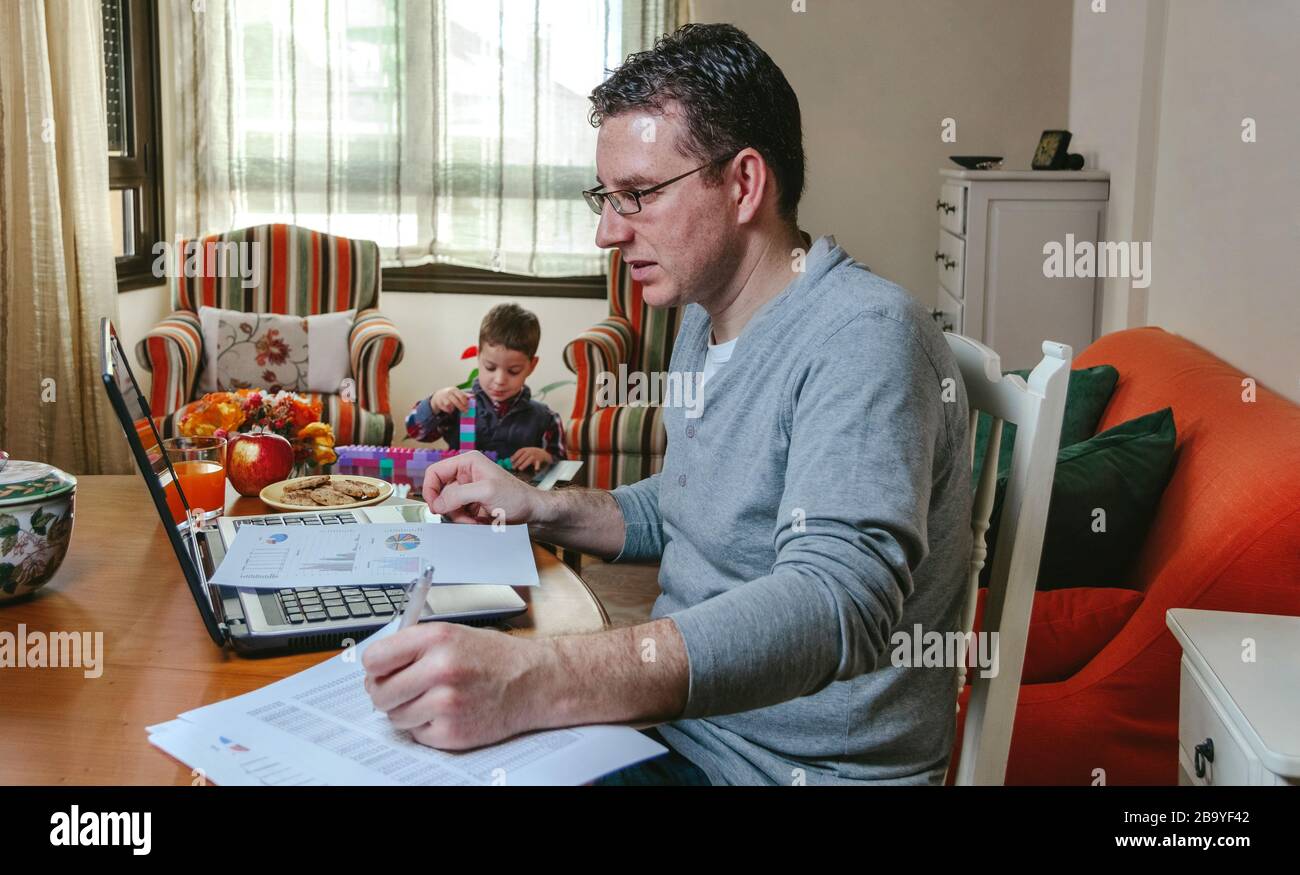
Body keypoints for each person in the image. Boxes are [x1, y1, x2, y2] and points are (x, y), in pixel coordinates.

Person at [363, 22, 973, 785]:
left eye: (638, 196)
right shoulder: (706, 317)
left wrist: (536, 678)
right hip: (679, 735)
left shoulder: (865, 336)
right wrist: (536, 503)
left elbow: (837, 602)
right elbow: (691, 505)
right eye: (606, 197)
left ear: (745, 183)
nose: (606, 232)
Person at [405, 303, 565, 473]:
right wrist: (434, 403)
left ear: (531, 366)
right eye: (490, 367)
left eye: (513, 371)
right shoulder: (458, 405)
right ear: (478, 356)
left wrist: (546, 457)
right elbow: (416, 432)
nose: (499, 380)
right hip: (459, 494)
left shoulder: (546, 419)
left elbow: (563, 469)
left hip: (517, 497)